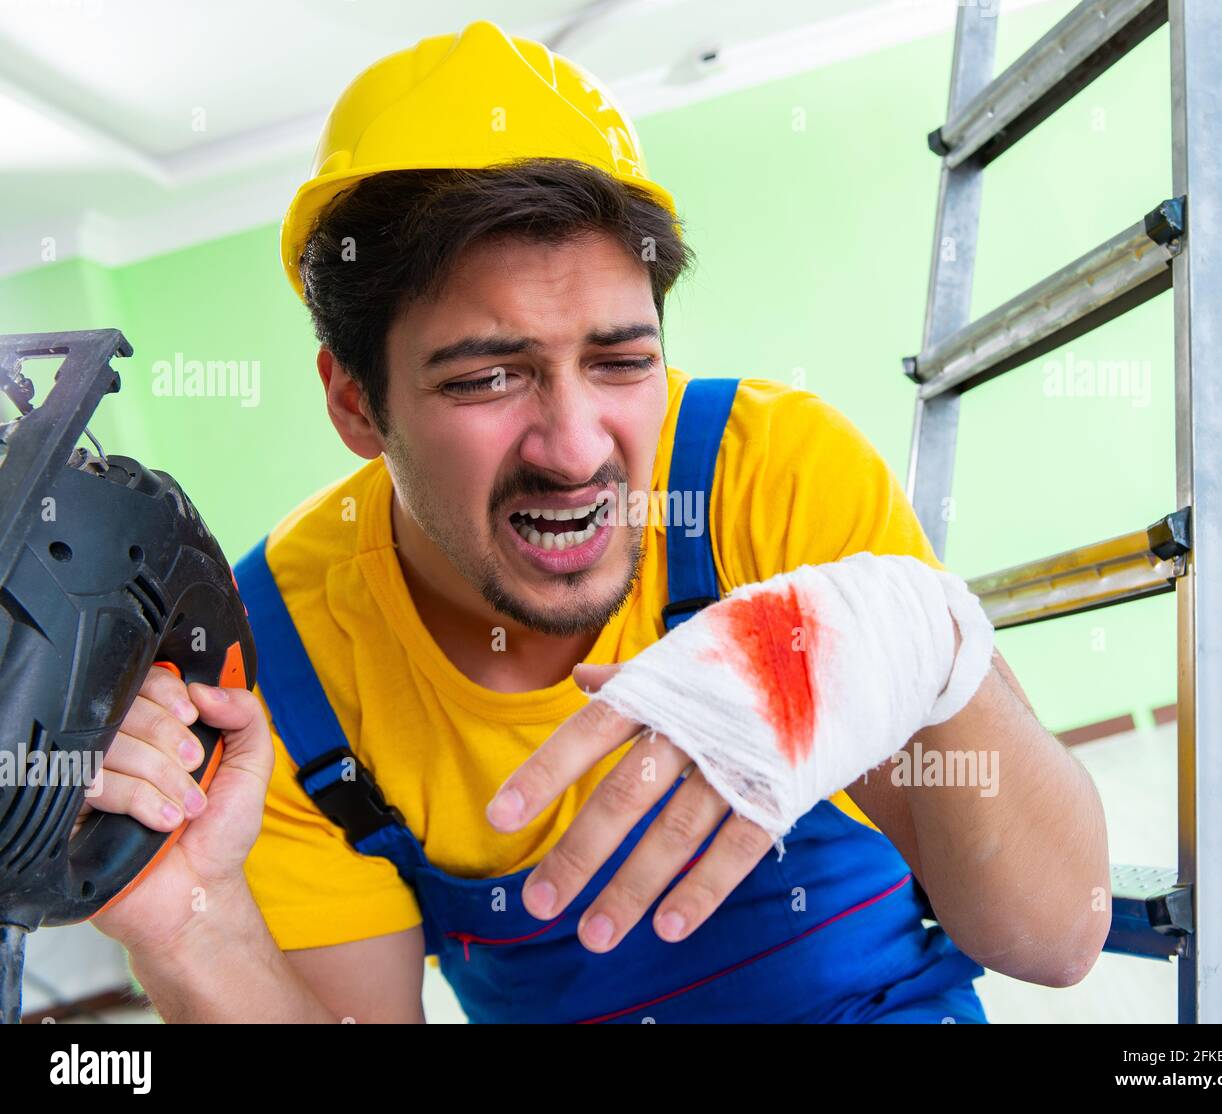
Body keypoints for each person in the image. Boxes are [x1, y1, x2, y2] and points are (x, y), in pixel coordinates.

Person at [87, 19, 1111, 1023]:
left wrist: (919, 639)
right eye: (488, 377)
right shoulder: (286, 658)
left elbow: (1055, 936)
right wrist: (192, 933)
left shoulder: (768, 480)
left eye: (622, 361)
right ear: (356, 401)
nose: (575, 449)